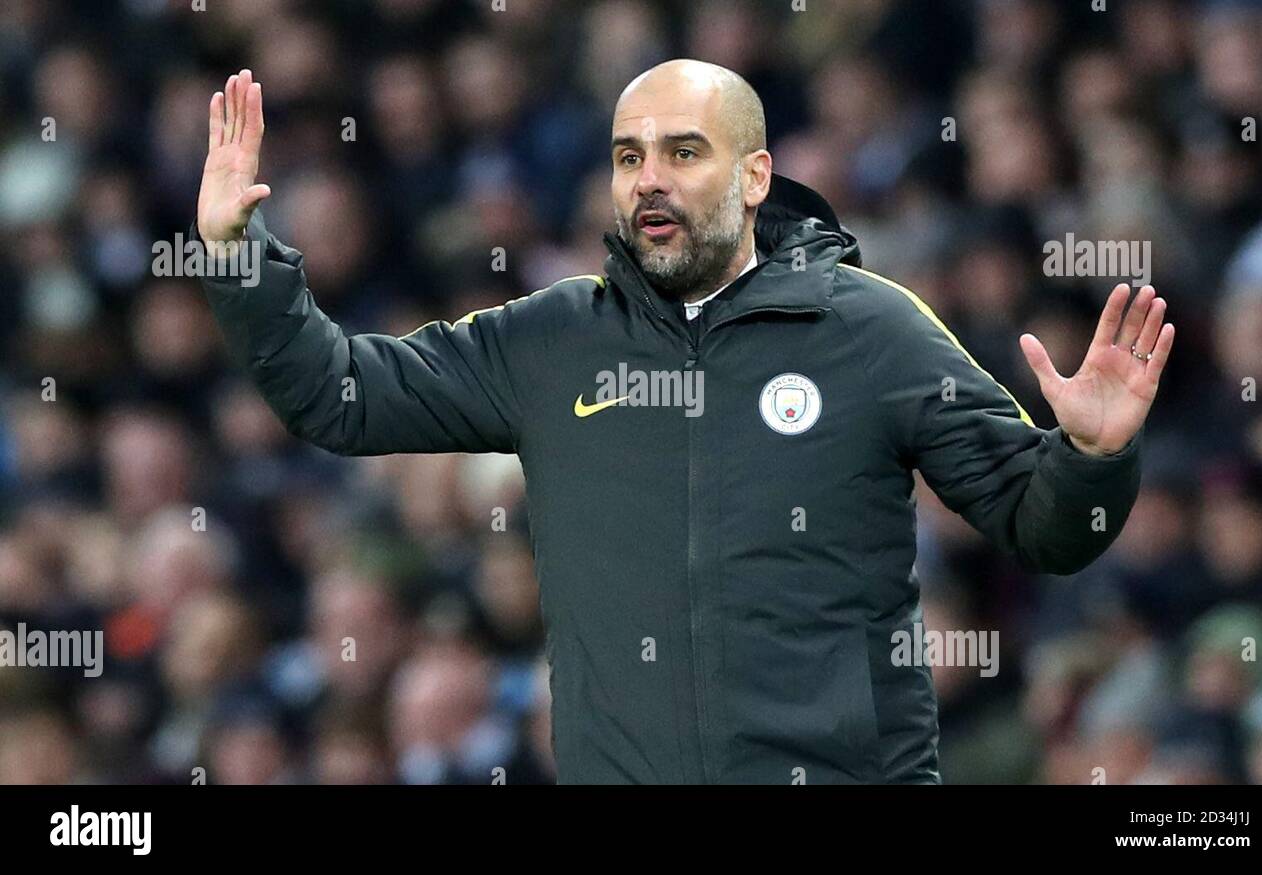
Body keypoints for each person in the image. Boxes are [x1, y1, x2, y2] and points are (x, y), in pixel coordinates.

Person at [192, 61, 1175, 784]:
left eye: (681, 152)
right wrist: (241, 255)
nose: (647, 180)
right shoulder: (550, 341)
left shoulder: (874, 330)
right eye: (628, 157)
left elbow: (1046, 529)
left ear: (753, 177)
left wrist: (1094, 453)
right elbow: (339, 394)